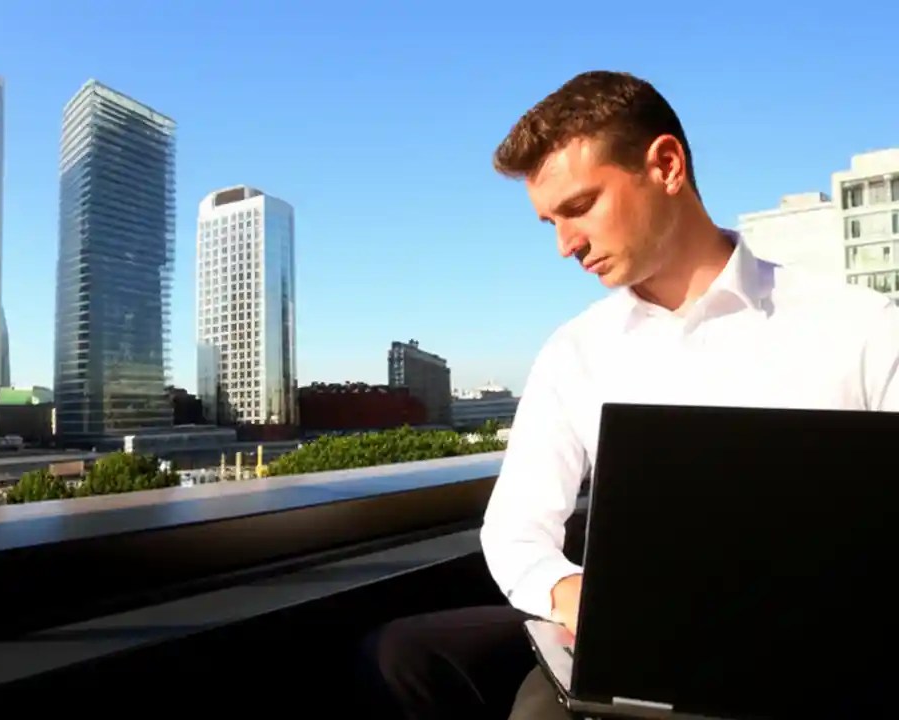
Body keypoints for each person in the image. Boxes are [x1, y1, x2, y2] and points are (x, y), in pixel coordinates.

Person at [360, 69, 899, 719]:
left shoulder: (861, 328)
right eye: (549, 222)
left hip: (822, 654)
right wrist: (569, 592)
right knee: (408, 659)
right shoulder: (576, 351)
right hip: (637, 644)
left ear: (666, 165)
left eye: (580, 206)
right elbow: (513, 529)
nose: (565, 245)